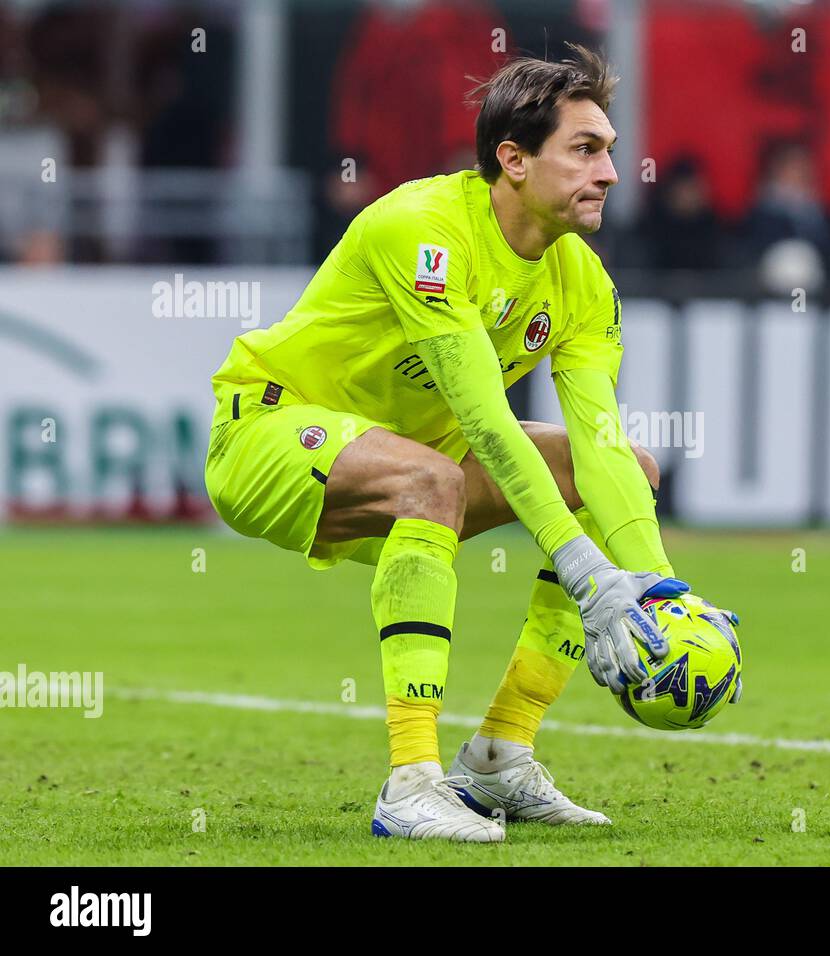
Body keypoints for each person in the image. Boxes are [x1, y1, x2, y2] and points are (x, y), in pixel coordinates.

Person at [203, 45, 739, 844]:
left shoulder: (583, 282)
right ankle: (410, 782)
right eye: (585, 150)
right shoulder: (422, 231)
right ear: (513, 160)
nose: (611, 173)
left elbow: (596, 440)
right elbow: (486, 418)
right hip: (268, 435)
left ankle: (500, 755)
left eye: (611, 152)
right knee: (431, 481)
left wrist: (657, 592)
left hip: (404, 456)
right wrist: (587, 571)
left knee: (623, 468)